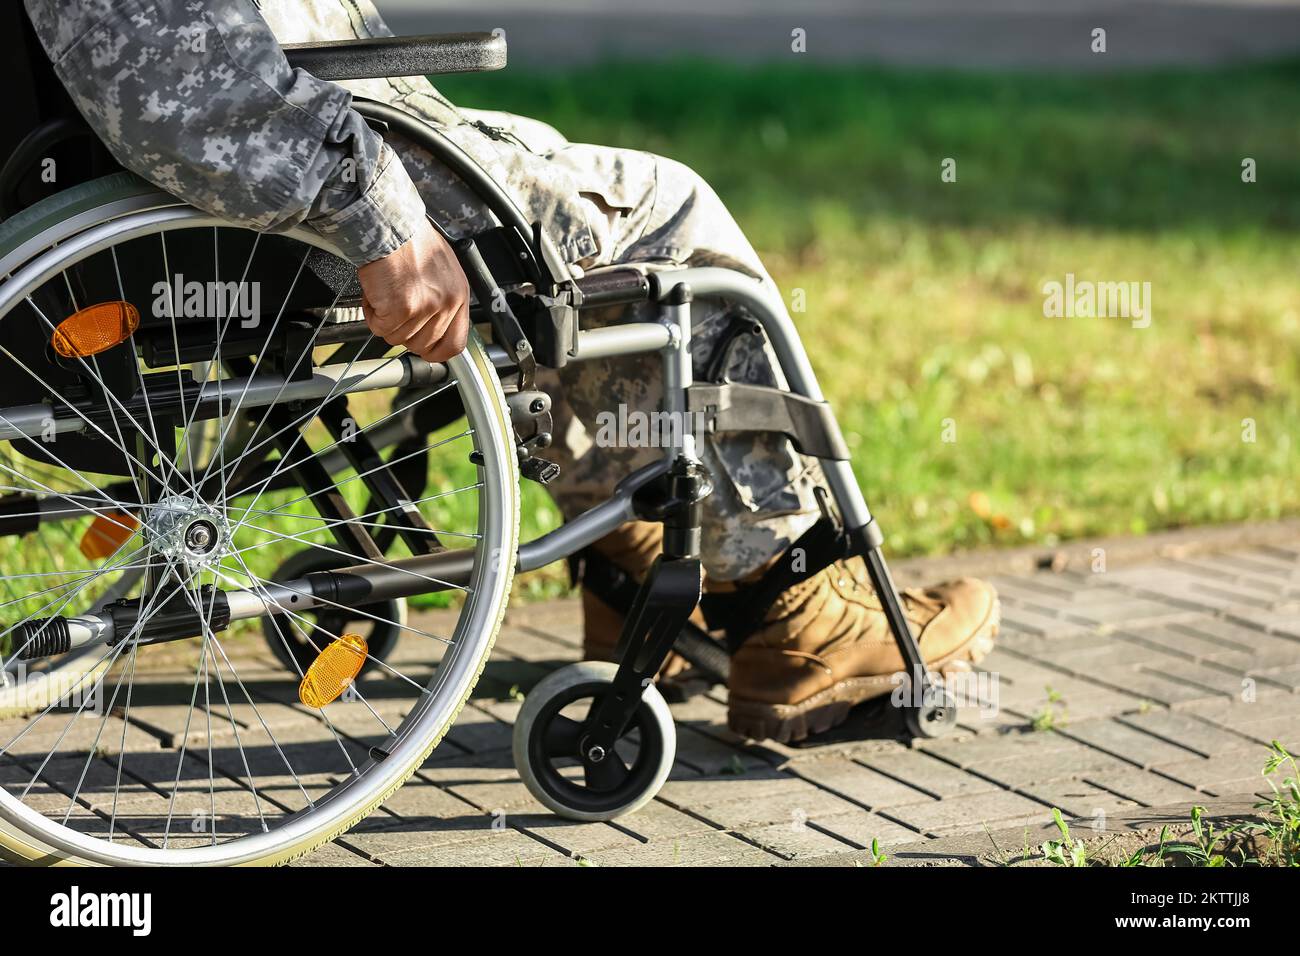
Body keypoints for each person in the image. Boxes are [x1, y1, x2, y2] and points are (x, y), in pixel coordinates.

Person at [22, 0, 999, 743]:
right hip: (285, 185)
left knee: (575, 216)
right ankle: (787, 600)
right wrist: (370, 209)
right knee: (664, 221)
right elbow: (176, 85)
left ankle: (643, 558)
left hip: (265, 160)